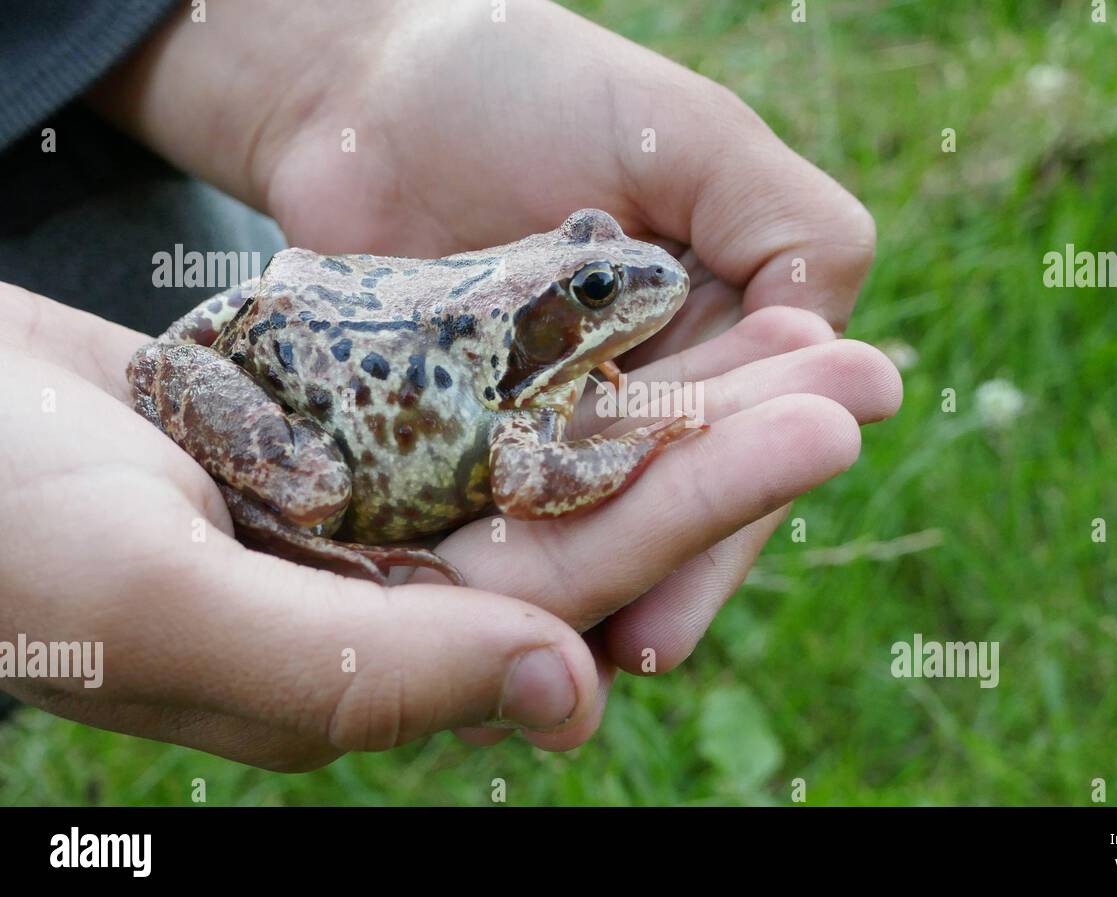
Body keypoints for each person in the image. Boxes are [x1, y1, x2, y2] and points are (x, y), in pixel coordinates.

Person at [0, 0, 901, 770]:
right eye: (593, 292)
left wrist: (345, 63)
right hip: (276, 363)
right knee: (315, 487)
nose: (639, 276)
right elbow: (526, 480)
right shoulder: (520, 407)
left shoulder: (532, 370)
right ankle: (277, 522)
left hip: (264, 301)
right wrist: (641, 439)